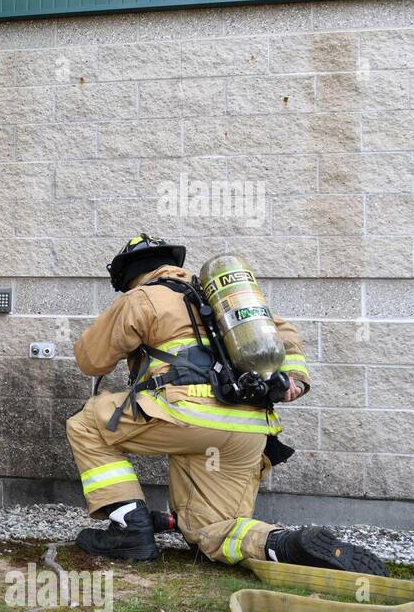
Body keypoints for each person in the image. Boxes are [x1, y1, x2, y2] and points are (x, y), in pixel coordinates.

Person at [65, 234, 388, 576]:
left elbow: (91, 360)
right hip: (247, 428)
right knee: (208, 530)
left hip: (186, 417)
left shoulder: (142, 296)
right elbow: (286, 334)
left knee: (86, 424)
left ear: (129, 274)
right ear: (173, 263)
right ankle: (281, 544)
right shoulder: (226, 300)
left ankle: (129, 528)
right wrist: (294, 379)